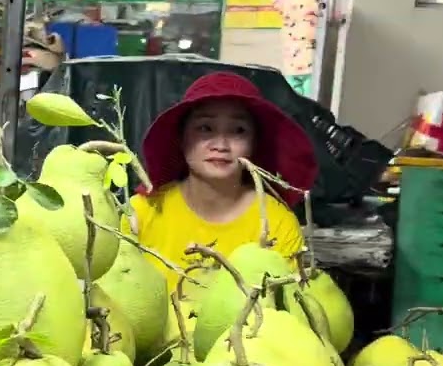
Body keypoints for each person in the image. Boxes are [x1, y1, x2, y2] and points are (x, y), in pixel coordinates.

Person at [127, 72, 318, 292]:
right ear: (181, 137)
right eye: (205, 128)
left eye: (238, 131)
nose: (221, 144)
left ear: (254, 144)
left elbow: (287, 309)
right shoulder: (141, 214)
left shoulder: (276, 223)